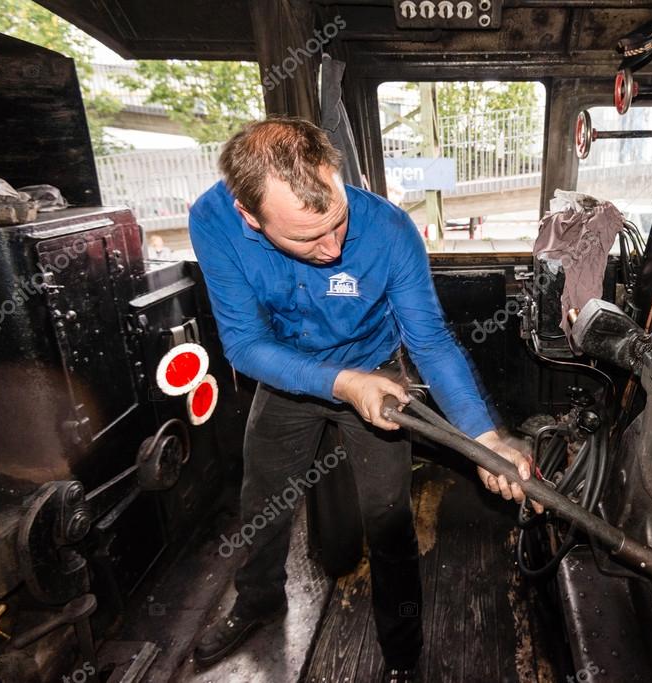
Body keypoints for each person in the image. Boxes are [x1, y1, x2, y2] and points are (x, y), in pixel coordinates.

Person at [188, 117, 538, 683]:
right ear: (248, 215)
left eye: (338, 221)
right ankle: (258, 601)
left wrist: (485, 437)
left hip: (376, 370)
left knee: (389, 518)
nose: (332, 247)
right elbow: (245, 344)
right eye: (306, 238)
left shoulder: (389, 230)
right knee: (262, 502)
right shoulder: (213, 220)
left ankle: (402, 654)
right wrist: (341, 383)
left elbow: (429, 341)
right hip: (286, 370)